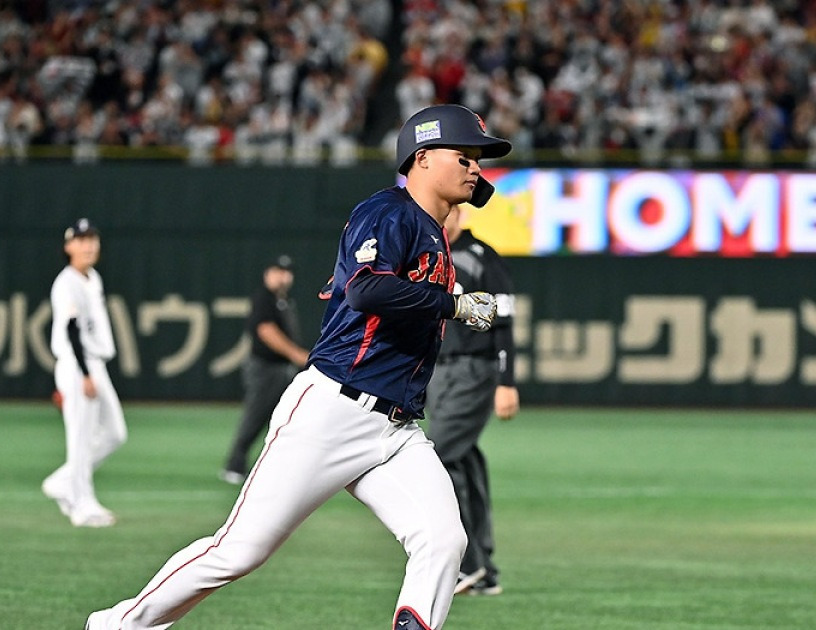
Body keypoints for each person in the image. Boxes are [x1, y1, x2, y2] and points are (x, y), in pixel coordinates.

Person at [86, 103, 511, 630]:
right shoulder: (388, 212)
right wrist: (455, 303)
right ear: (422, 159)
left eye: (478, 159)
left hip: (398, 429)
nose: (476, 168)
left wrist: (448, 295)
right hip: (332, 411)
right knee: (238, 551)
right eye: (464, 155)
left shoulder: (435, 237)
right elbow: (365, 288)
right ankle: (118, 624)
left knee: (443, 539)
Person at [427, 207, 519, 597]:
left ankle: (465, 563)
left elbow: (505, 319)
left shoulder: (480, 255)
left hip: (474, 369)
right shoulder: (429, 257)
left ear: (459, 215)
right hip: (438, 369)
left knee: (439, 455)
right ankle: (484, 568)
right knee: (464, 460)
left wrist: (506, 381)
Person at [42, 218, 127, 528]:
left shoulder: (93, 278)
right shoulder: (66, 283)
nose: (89, 244)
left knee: (116, 432)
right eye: (82, 239)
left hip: (95, 363)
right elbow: (72, 328)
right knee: (80, 437)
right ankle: (82, 506)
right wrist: (85, 373)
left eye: (93, 238)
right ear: (68, 247)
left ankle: (63, 481)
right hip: (78, 365)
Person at [218, 254, 309, 485]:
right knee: (256, 416)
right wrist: (296, 354)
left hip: (281, 369)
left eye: (287, 272)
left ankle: (282, 466)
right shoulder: (264, 299)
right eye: (278, 271)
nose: (283, 276)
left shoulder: (283, 300)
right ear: (268, 274)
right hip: (265, 367)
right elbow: (266, 331)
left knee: (289, 417)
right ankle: (234, 465)